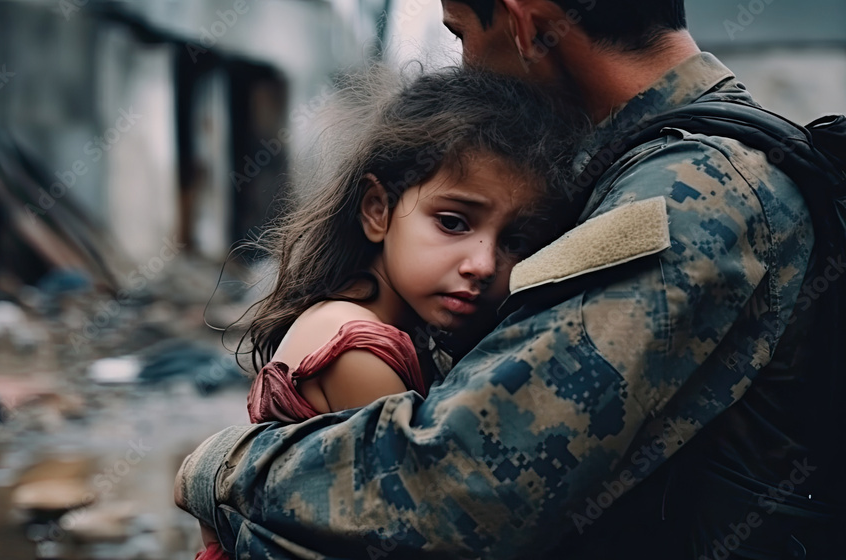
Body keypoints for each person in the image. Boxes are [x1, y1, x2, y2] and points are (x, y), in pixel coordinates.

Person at [177, 1, 840, 558]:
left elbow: (464, 484)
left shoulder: (692, 190)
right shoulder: (668, 167)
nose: (466, 66)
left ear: (527, 25)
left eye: (462, 33)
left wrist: (226, 466)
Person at [193, 65, 588, 558]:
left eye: (515, 242)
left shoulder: (388, 325)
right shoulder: (356, 348)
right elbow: (419, 522)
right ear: (377, 210)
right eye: (452, 222)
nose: (483, 264)